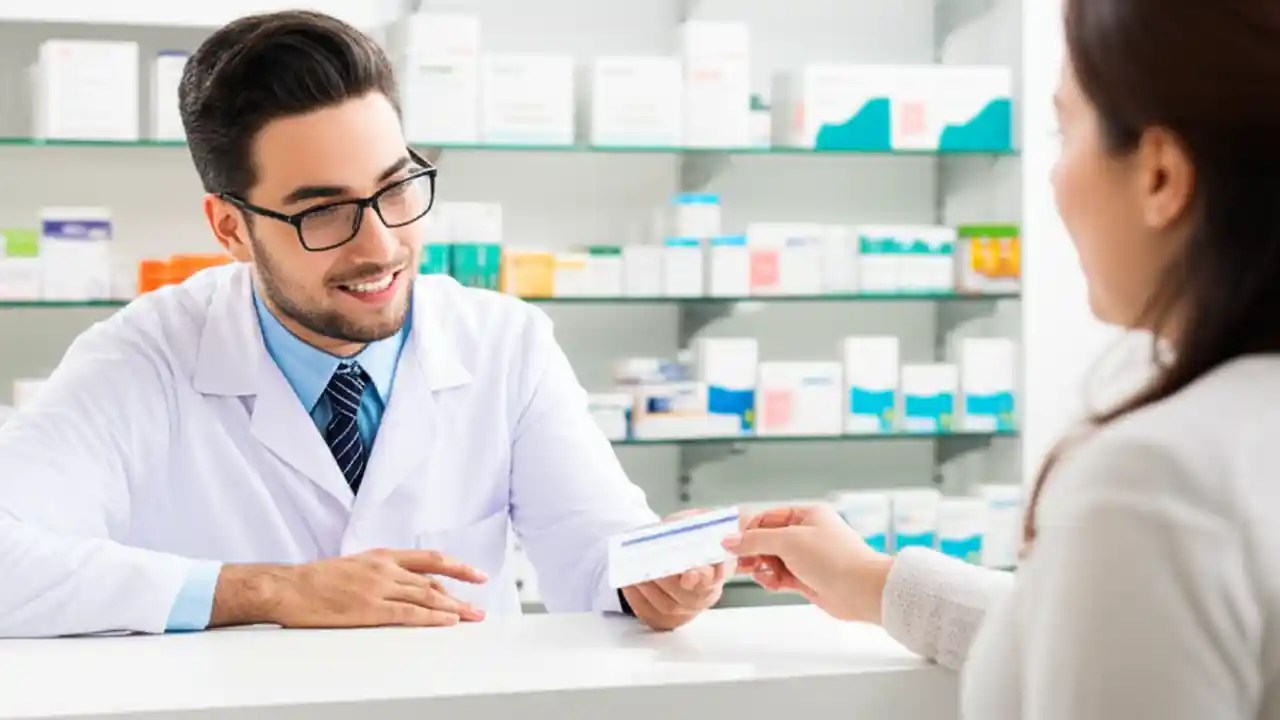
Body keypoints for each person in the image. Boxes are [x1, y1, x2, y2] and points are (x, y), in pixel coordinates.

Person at [0, 11, 727, 638]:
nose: (380, 247)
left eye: (396, 188)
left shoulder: (504, 343)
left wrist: (656, 585)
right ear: (230, 228)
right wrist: (272, 590)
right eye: (323, 212)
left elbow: (598, 557)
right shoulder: (143, 359)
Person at [721, 1, 1280, 717]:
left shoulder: (1159, 481)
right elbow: (1132, 645)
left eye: (1063, 128)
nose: (1051, 180)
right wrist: (874, 582)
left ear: (1160, 177)